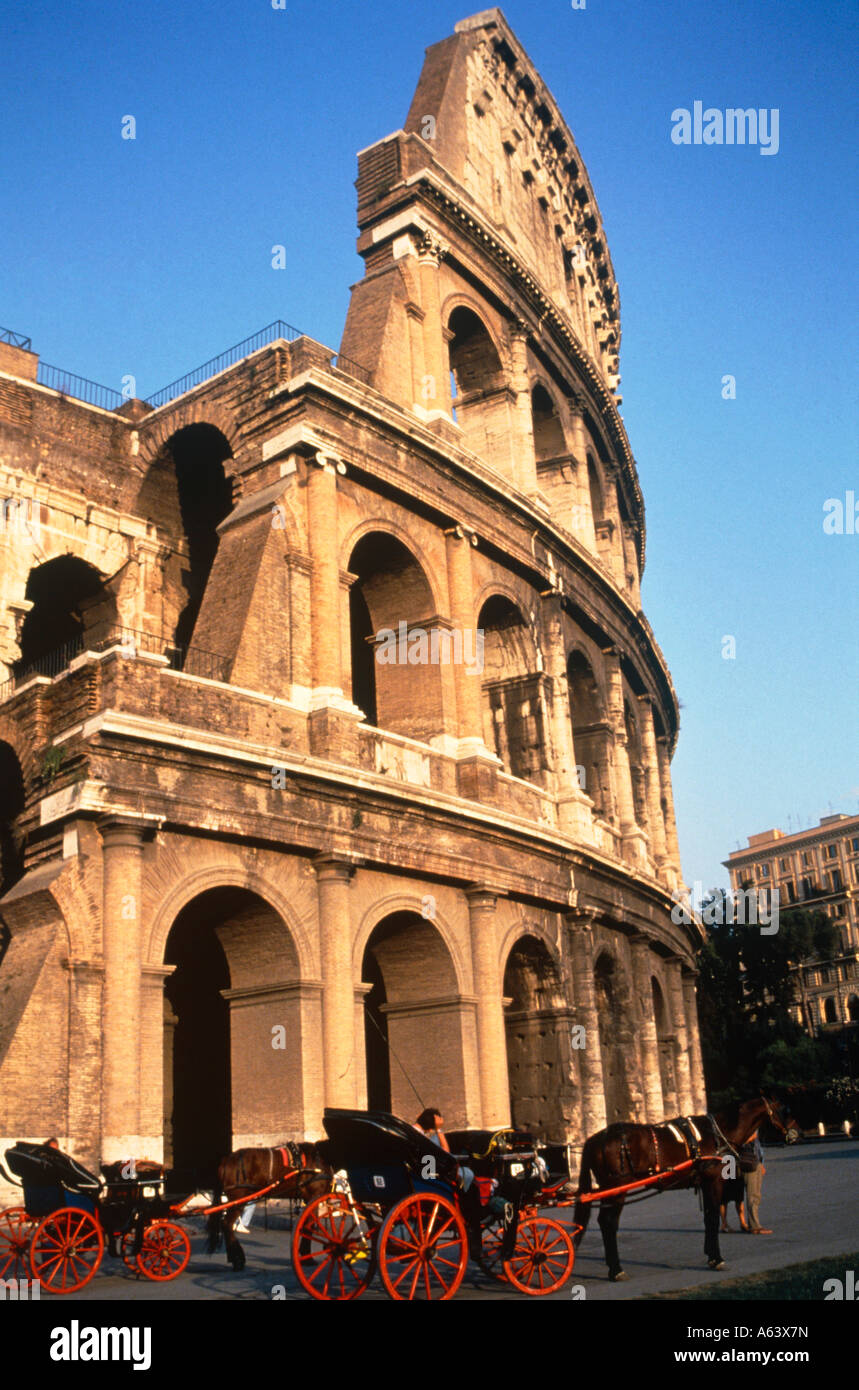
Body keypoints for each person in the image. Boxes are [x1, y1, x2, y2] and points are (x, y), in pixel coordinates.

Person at [741, 1130, 772, 1234]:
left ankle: (753, 1224)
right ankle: (754, 1226)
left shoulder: (754, 1126)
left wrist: (761, 1163)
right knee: (752, 1195)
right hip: (748, 1162)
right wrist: (750, 1137)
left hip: (756, 1161)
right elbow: (738, 1142)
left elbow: (758, 1147)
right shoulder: (744, 1124)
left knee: (756, 1195)